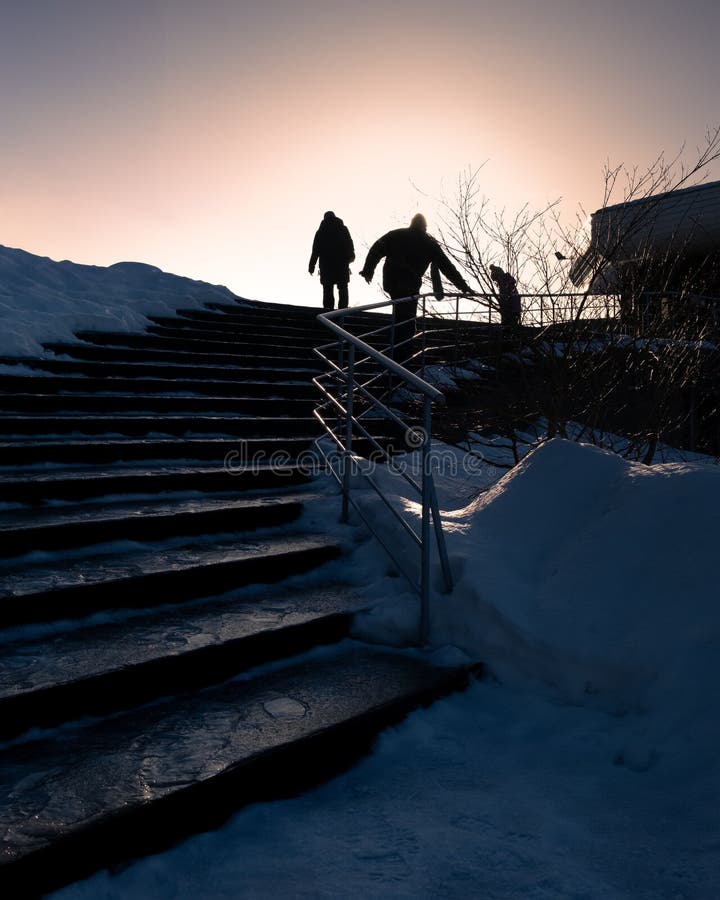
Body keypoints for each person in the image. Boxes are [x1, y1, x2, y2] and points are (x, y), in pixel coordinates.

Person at [359, 213, 472, 361]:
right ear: (425, 226)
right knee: (407, 317)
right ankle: (403, 353)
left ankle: (398, 350)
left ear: (411, 223)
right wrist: (463, 286)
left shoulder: (395, 235)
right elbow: (447, 267)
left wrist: (368, 270)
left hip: (392, 281)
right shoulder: (429, 243)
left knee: (400, 313)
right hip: (410, 285)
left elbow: (376, 250)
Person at [309, 211, 355, 310]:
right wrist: (351, 257)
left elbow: (315, 250)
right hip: (342, 263)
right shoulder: (343, 229)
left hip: (326, 265)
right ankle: (343, 310)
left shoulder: (320, 232)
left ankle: (328, 310)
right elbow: (349, 244)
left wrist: (311, 266)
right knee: (343, 287)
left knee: (327, 288)